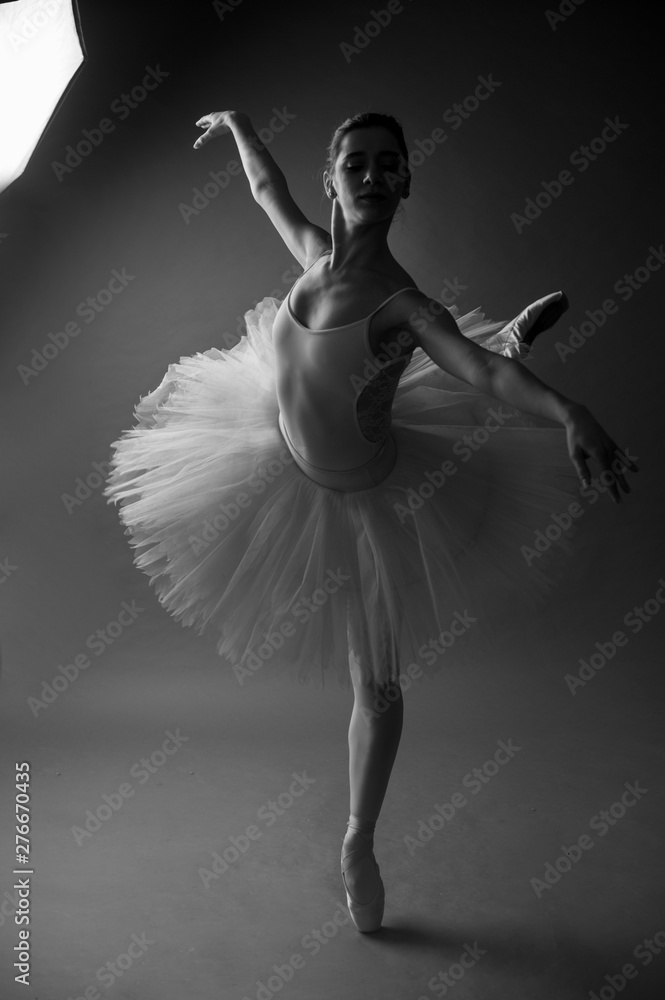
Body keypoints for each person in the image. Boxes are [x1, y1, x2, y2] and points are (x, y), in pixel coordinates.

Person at [103, 110, 638, 933]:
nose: (375, 176)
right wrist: (240, 125)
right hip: (277, 447)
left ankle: (358, 841)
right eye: (357, 163)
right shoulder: (313, 255)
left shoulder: (403, 304)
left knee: (377, 685)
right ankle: (516, 332)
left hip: (364, 492)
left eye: (392, 165)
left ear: (407, 183)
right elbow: (263, 189)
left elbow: (480, 376)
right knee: (429, 385)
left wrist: (568, 411)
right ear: (334, 178)